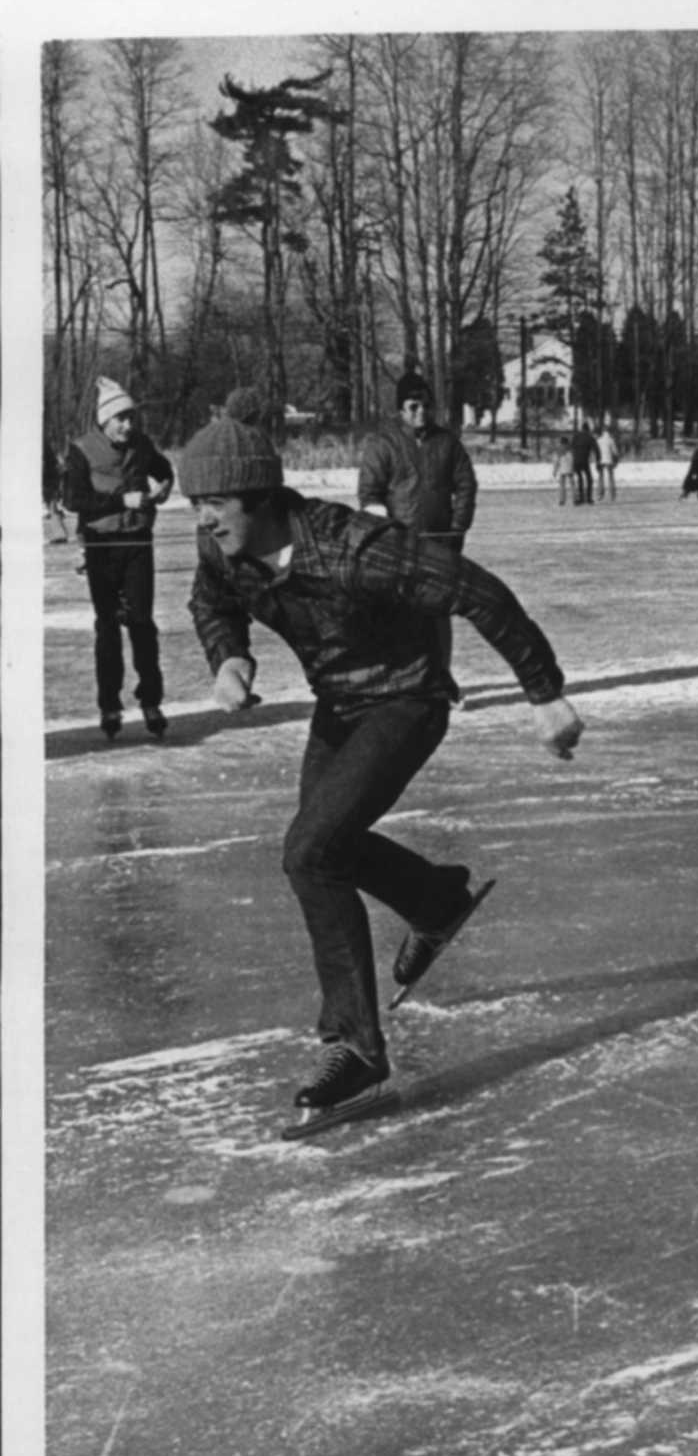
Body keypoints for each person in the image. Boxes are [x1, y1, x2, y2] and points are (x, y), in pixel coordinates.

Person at [184, 389, 585, 1130]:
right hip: (338, 703)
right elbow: (211, 602)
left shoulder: (353, 546)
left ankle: (357, 1049)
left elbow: (477, 590)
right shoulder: (223, 549)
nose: (203, 519)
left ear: (261, 495)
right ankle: (435, 902)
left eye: (215, 502)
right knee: (320, 853)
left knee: (310, 847)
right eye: (195, 504)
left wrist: (545, 693)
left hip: (408, 698)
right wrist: (230, 657)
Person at [65, 377, 175, 741]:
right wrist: (119, 501)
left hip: (137, 542)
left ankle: (151, 700)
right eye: (120, 419)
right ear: (104, 420)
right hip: (101, 546)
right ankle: (109, 704)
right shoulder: (82, 450)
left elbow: (163, 469)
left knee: (142, 622)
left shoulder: (141, 445)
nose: (128, 425)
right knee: (108, 627)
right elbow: (73, 500)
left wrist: (162, 489)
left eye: (131, 418)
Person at [357, 371, 478, 557]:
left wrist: (457, 527)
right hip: (399, 544)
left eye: (426, 406)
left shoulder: (448, 442)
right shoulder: (382, 445)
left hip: (442, 542)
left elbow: (466, 485)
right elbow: (369, 494)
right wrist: (385, 534)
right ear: (401, 410)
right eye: (414, 407)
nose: (421, 411)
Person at [570, 420, 597, 506]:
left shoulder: (576, 436)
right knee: (589, 479)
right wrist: (598, 459)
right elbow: (596, 449)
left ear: (581, 428)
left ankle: (580, 498)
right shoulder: (590, 437)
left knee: (579, 478)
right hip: (584, 461)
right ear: (588, 429)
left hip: (576, 460)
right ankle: (588, 498)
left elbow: (571, 447)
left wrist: (572, 457)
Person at [594, 420, 620, 502]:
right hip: (609, 460)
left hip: (600, 460)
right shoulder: (611, 440)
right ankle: (612, 495)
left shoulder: (599, 440)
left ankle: (600, 495)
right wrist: (617, 460)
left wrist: (596, 461)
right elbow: (615, 452)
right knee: (611, 477)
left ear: (602, 431)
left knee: (600, 477)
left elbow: (596, 451)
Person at [554, 438, 577, 507]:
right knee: (572, 485)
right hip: (570, 468)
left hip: (562, 469)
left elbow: (557, 461)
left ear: (561, 442)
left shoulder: (559, 450)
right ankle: (574, 499)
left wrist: (555, 470)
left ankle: (562, 500)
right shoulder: (571, 449)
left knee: (562, 485)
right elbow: (574, 459)